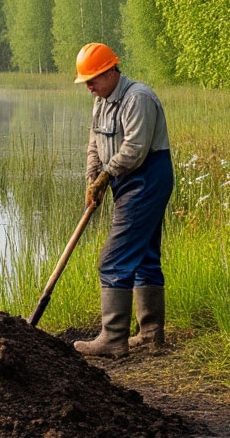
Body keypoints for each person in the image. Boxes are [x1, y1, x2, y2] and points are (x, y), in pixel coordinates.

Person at [70, 43, 173, 358]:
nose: (89, 87)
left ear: (110, 71)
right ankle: (151, 335)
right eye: (85, 82)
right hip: (124, 179)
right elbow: (95, 142)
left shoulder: (137, 98)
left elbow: (134, 150)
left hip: (146, 179)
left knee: (113, 259)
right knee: (143, 255)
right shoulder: (101, 101)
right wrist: (93, 178)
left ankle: (113, 339)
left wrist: (106, 176)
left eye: (92, 80)